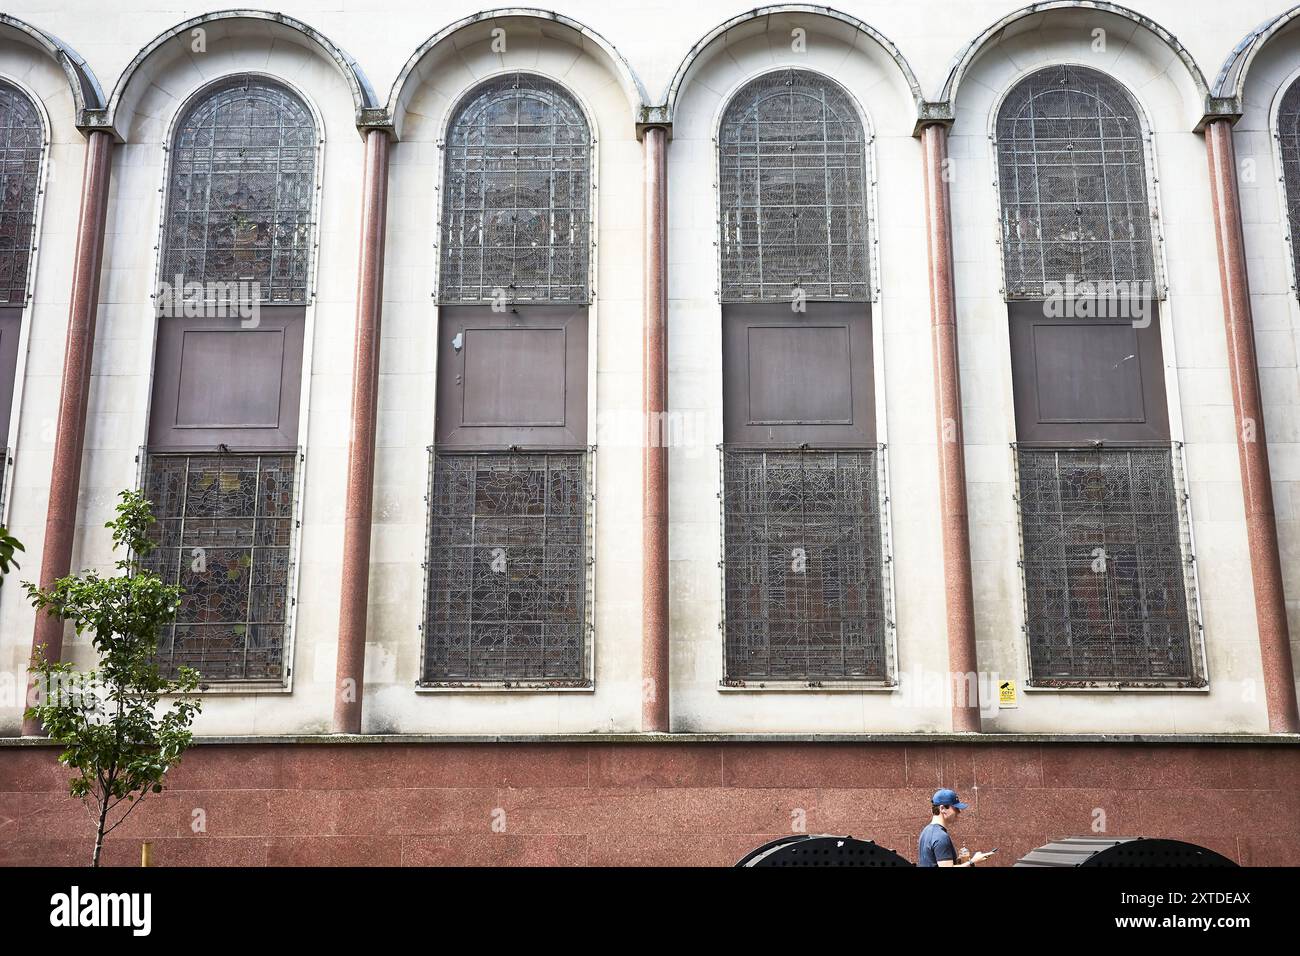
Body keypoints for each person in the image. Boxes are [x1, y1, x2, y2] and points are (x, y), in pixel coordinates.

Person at [917, 788, 992, 867]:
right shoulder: (941, 836)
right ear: (942, 809)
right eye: (955, 808)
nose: (959, 812)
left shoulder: (926, 830)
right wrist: (973, 861)